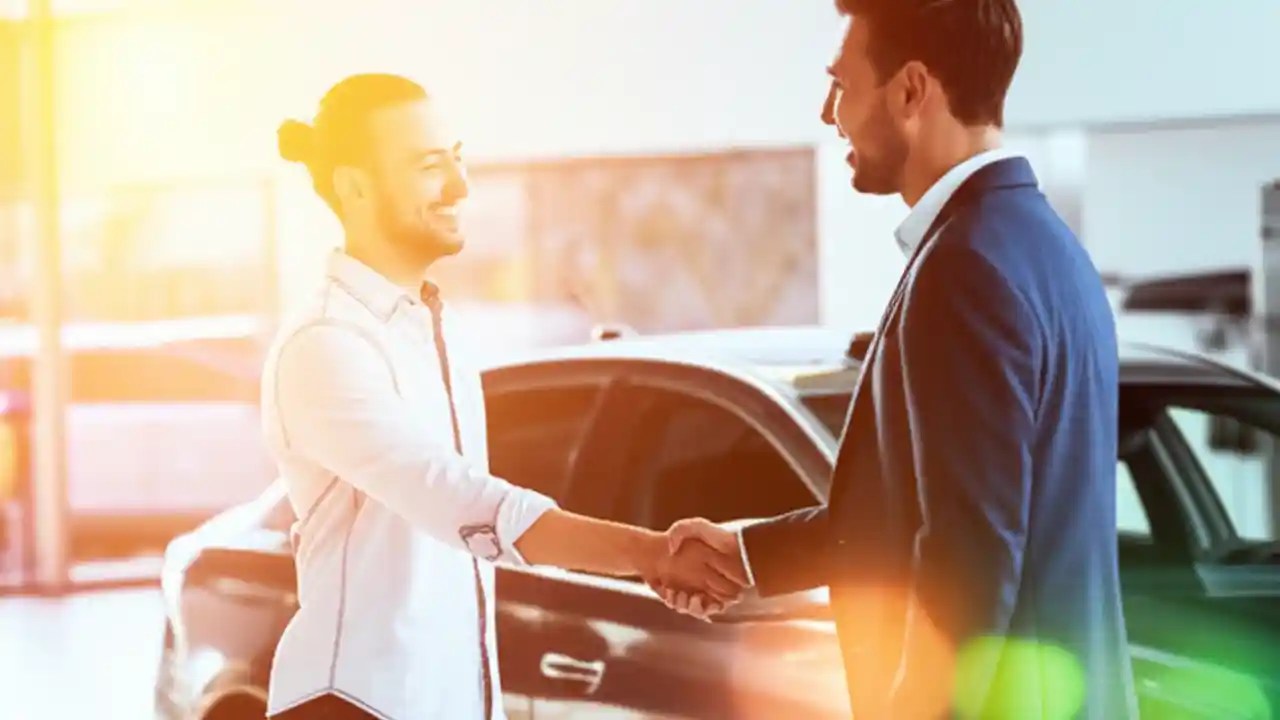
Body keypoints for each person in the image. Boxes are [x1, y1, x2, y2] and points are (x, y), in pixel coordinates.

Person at [662, 1, 1138, 717]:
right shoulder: (1046, 248)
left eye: (841, 86)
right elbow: (923, 515)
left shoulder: (967, 268)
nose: (830, 114)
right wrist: (747, 552)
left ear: (912, 89)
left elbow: (968, 566)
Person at [262, 74, 745, 720]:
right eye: (431, 166)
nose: (460, 186)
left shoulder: (438, 327)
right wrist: (649, 553)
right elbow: (459, 499)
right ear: (353, 185)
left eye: (457, 159)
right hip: (353, 703)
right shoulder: (324, 343)